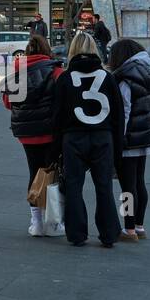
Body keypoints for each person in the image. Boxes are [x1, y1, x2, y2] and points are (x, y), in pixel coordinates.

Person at [52, 30, 123, 248]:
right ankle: (109, 233)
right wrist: (118, 148)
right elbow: (118, 115)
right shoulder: (107, 77)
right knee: (104, 187)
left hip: (73, 138)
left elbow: (57, 116)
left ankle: (77, 233)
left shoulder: (64, 78)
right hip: (103, 136)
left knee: (73, 187)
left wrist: (56, 150)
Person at [1, 33, 62, 236]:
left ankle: (35, 222)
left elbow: (9, 103)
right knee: (51, 173)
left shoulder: (16, 71)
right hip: (50, 131)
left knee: (33, 172)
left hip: (26, 132)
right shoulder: (55, 71)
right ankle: (52, 221)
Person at [109, 37, 150, 241]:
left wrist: (118, 139)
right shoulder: (147, 72)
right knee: (139, 182)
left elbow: (124, 111)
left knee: (127, 187)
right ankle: (139, 226)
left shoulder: (126, 77)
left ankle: (128, 228)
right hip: (145, 137)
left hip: (129, 138)